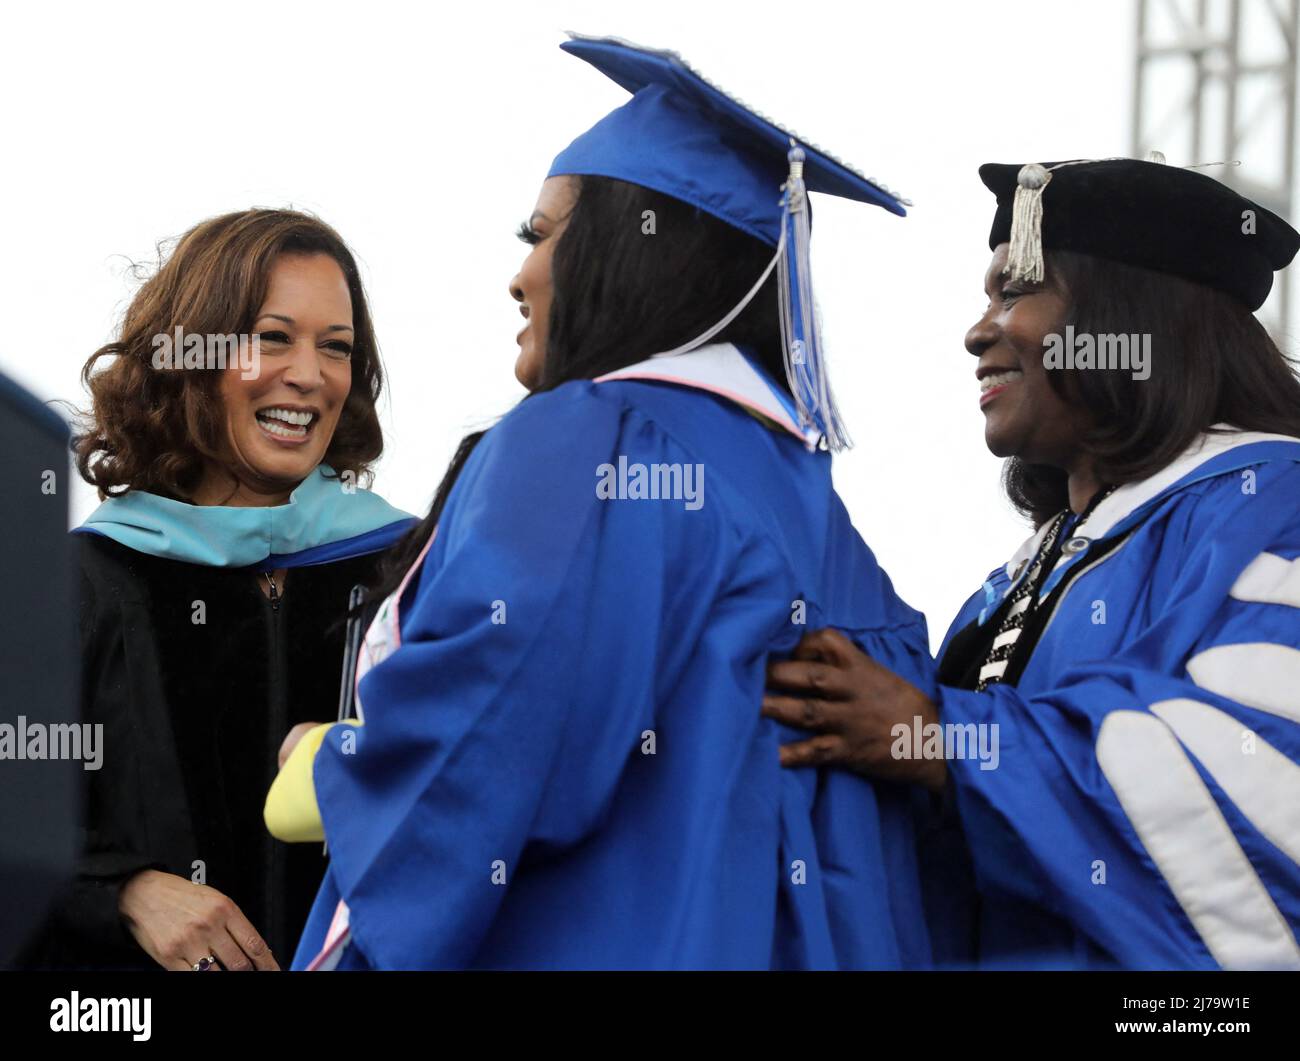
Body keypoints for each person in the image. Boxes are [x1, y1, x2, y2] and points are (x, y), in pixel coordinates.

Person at [266, 34, 935, 970]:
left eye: (539, 235)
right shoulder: (827, 526)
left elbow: (491, 722)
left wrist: (336, 768)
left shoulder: (591, 439)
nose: (519, 273)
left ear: (629, 247)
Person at [763, 155, 1300, 969]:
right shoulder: (1024, 575)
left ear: (1131, 322)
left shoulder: (1269, 504)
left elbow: (1259, 789)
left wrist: (944, 740)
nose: (979, 330)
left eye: (1014, 292)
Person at [19, 209, 413, 971]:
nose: (309, 374)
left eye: (337, 347)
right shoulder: (84, 585)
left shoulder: (406, 571)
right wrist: (122, 890)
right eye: (273, 337)